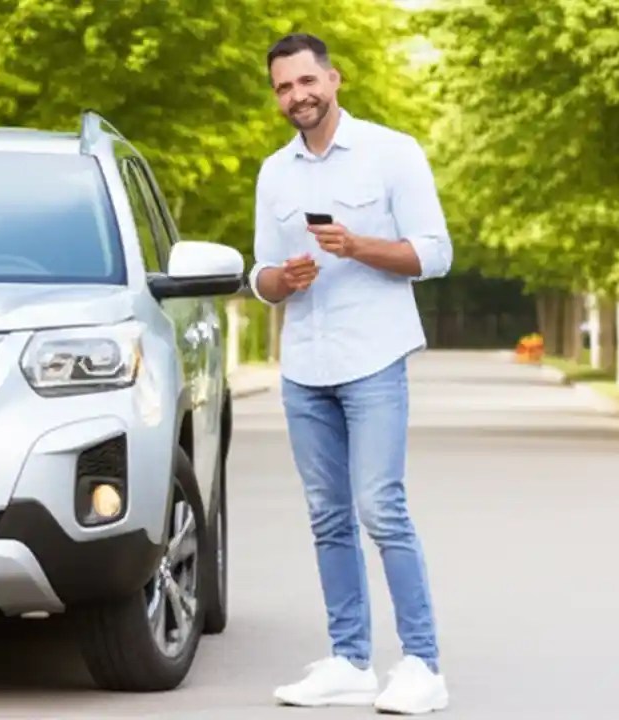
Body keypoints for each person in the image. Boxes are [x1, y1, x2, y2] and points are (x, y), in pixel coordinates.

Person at [248, 32, 452, 715]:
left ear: (334, 79)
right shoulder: (274, 173)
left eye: (307, 81)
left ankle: (422, 664)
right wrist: (283, 277)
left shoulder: (392, 153)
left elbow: (435, 254)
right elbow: (262, 277)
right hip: (304, 364)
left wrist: (359, 246)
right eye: (283, 87)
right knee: (327, 517)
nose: (296, 96)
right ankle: (348, 659)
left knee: (381, 509)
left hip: (373, 357)